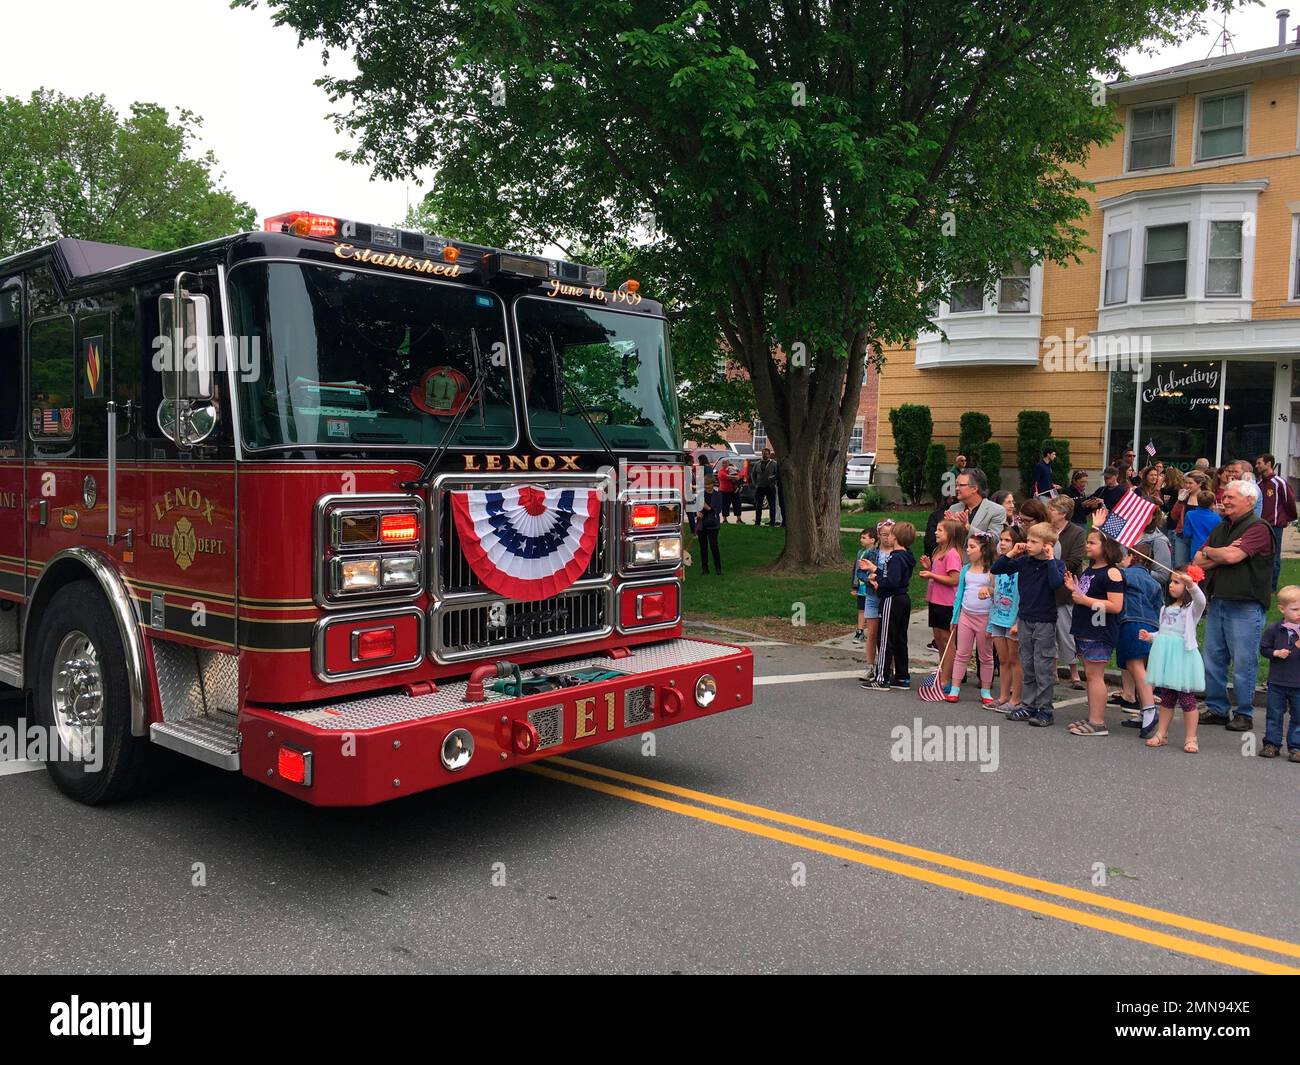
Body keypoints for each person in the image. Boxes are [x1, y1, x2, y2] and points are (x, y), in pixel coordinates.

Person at [1194, 479, 1273, 731]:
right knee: (1213, 659)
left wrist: (1216, 553)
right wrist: (1221, 553)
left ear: (1249, 501)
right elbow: (1198, 560)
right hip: (1218, 602)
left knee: (1243, 662)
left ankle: (1245, 713)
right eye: (1224, 496)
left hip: (1246, 605)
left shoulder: (1258, 528)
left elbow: (1232, 556)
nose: (1224, 500)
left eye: (1231, 497)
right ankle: (1217, 709)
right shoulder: (1221, 528)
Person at [993, 522, 1065, 727]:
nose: (1028, 544)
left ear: (1047, 545)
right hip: (1025, 618)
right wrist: (1012, 553)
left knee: (1042, 665)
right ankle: (1028, 704)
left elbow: (1055, 583)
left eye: (1034, 541)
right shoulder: (1024, 561)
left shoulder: (1056, 565)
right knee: (1028, 664)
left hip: (1044, 620)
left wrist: (1050, 558)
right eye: (1028, 540)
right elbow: (997, 569)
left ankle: (1045, 709)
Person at [1064, 527, 1126, 737]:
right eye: (1087, 542)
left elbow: (1115, 605)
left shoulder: (1112, 572)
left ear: (1105, 547)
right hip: (1086, 627)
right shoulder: (1091, 569)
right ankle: (1092, 717)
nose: (1087, 545)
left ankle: (1098, 722)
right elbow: (1087, 595)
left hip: (1099, 630)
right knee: (1090, 675)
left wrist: (1085, 600)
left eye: (1092, 542)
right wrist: (1075, 589)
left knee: (1095, 675)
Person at [1141, 569, 1208, 753]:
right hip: (1167, 659)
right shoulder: (1165, 609)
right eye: (1171, 582)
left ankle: (1191, 737)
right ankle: (1161, 733)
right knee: (1167, 699)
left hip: (1182, 657)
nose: (1171, 585)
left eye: (1177, 582)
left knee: (1187, 700)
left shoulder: (1192, 609)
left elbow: (1201, 600)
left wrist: (1191, 585)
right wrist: (1150, 637)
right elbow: (1164, 633)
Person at [1115, 548, 1163, 739]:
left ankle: (1150, 709)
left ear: (1130, 557)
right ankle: (1145, 711)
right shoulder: (1155, 582)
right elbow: (1158, 607)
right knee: (1145, 669)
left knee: (1134, 665)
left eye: (1124, 556)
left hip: (1130, 620)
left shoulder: (1123, 575)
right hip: (1152, 624)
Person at [945, 531, 997, 706]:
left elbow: (998, 594)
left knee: (986, 656)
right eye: (968, 546)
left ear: (984, 550)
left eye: (972, 547)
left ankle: (986, 689)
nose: (968, 550)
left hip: (985, 618)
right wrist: (955, 617)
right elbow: (959, 594)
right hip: (966, 616)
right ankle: (955, 687)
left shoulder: (993, 571)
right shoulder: (965, 569)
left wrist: (992, 623)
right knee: (961, 654)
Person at [863, 521, 917, 691]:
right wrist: (876, 570)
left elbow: (891, 582)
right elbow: (895, 577)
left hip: (891, 599)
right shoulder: (906, 556)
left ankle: (882, 678)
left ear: (896, 537)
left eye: (892, 533)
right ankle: (902, 677)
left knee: (885, 638)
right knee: (900, 638)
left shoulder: (895, 557)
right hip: (903, 599)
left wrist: (877, 580)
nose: (889, 536)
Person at [1047, 496, 1086, 690]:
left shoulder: (1077, 532)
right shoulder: (1045, 530)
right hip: (1046, 586)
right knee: (1049, 631)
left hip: (1066, 586)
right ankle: (1053, 671)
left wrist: (1053, 567)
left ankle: (1074, 672)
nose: (1049, 511)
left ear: (1062, 513)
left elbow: (1076, 560)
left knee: (1067, 630)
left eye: (1052, 509)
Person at [1259, 584, 1300, 761]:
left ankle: (1296, 747)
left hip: (1298, 682)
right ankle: (1271, 744)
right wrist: (1275, 653)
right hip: (1277, 682)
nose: (1299, 612)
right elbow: (1264, 648)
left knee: (1298, 717)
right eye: (1295, 609)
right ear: (1282, 609)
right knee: (1274, 714)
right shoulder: (1275, 629)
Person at [988, 527, 1024, 713]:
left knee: (1014, 659)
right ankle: (1002, 696)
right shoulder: (998, 566)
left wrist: (1018, 622)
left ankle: (1016, 698)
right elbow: (995, 589)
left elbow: (1024, 596)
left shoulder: (1019, 567)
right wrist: (987, 591)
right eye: (1001, 540)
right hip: (997, 617)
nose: (1002, 543)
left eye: (1007, 540)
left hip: (1013, 618)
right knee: (1002, 660)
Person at [919, 519, 962, 667]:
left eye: (940, 530)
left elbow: (954, 579)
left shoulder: (952, 554)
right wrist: (930, 568)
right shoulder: (938, 551)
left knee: (946, 640)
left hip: (947, 603)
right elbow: (940, 575)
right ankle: (942, 670)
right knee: (938, 639)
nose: (935, 532)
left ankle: (947, 677)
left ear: (950, 534)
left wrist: (932, 576)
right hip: (935, 601)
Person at [1255, 454, 1296, 592]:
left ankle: (1271, 587)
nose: (1257, 466)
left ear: (1268, 464)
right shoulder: (1259, 484)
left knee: (1274, 556)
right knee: (1261, 555)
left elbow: (1289, 501)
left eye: (1259, 463)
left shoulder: (1280, 482)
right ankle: (1261, 583)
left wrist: (1288, 518)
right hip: (1261, 525)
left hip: (1275, 525)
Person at [945, 468, 1006, 538]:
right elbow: (948, 540)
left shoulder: (996, 510)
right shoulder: (954, 509)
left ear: (974, 488)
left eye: (960, 485)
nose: (957, 488)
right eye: (956, 485)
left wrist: (967, 527)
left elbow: (994, 539)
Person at [851, 526, 880, 644]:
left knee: (872, 610)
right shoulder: (860, 553)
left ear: (872, 540)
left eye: (864, 537)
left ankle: (874, 631)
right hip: (861, 587)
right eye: (861, 537)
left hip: (871, 587)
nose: (861, 540)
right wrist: (854, 586)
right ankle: (860, 631)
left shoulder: (876, 553)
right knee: (861, 609)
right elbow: (856, 570)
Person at [1183, 489, 1222, 559]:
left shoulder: (1190, 514)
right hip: (1211, 549)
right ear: (1212, 503)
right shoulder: (1217, 518)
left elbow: (1187, 533)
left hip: (1195, 548)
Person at [695, 473, 722, 575]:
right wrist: (697, 512)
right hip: (702, 524)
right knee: (703, 547)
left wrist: (708, 508)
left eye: (709, 484)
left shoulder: (718, 495)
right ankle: (705, 569)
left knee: (714, 546)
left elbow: (717, 510)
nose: (707, 487)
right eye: (705, 485)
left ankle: (718, 568)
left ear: (713, 484)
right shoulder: (700, 495)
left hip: (713, 525)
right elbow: (696, 507)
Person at [751, 447, 780, 527]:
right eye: (763, 454)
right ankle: (757, 521)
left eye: (766, 454)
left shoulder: (774, 464)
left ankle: (772, 522)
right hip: (759, 487)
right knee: (758, 505)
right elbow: (753, 474)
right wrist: (755, 484)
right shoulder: (757, 464)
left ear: (769, 454)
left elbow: (777, 474)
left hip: (770, 487)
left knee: (772, 505)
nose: (765, 455)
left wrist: (773, 481)